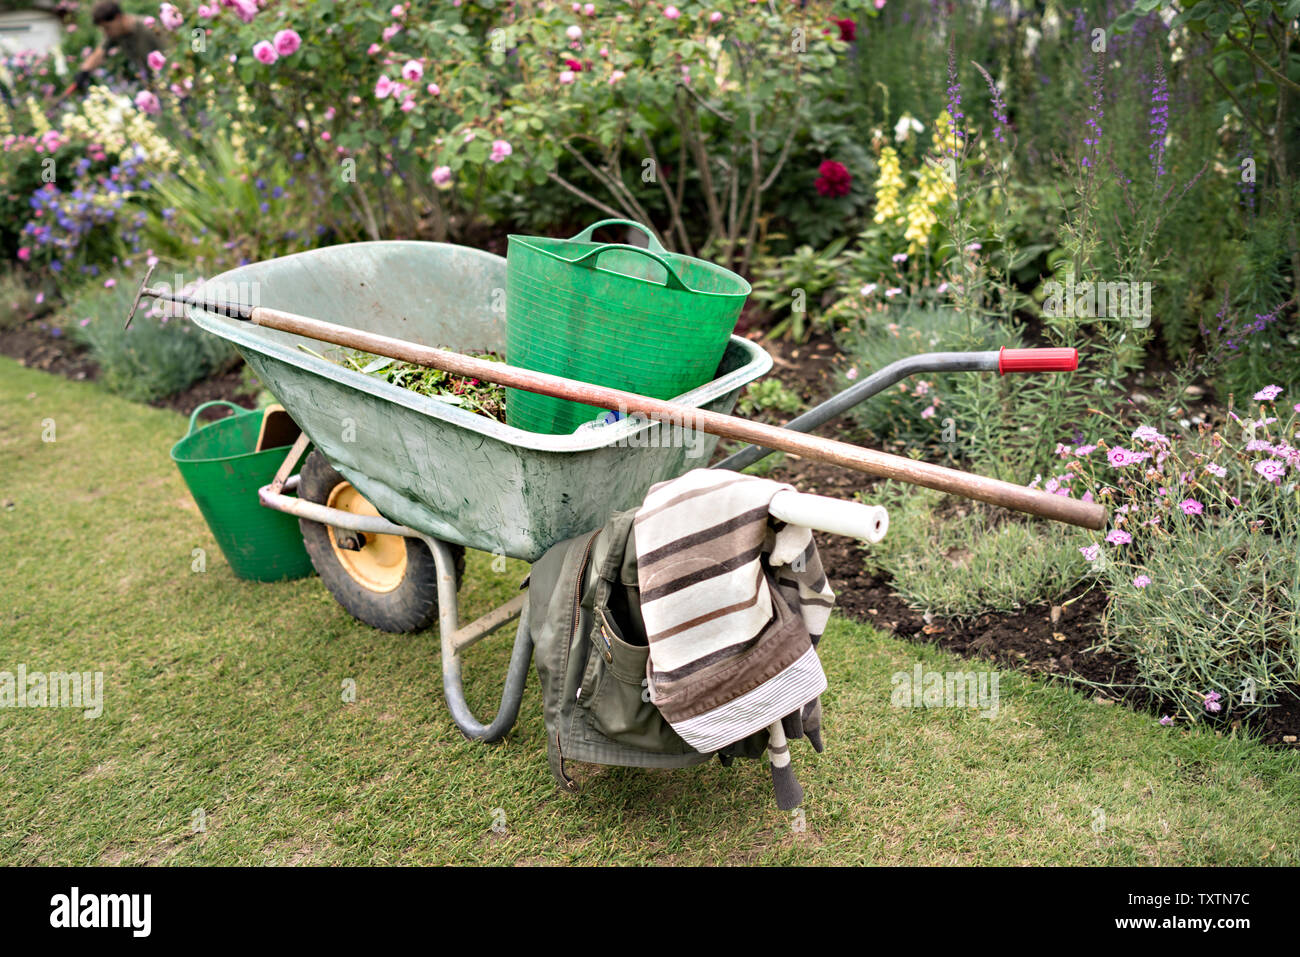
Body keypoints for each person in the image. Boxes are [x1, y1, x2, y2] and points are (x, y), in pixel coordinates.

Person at [74, 1, 163, 89]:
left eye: (107, 27)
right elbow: (100, 53)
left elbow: (169, 53)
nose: (106, 33)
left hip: (164, 78)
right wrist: (84, 72)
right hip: (152, 82)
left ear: (118, 17)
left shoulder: (148, 29)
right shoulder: (116, 34)